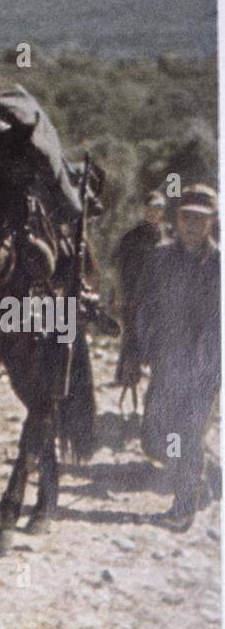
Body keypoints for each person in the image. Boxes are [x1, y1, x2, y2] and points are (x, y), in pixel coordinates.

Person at [134, 183, 221, 529]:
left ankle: (183, 505)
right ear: (177, 218)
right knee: (158, 438)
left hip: (204, 367)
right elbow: (145, 305)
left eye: (201, 219)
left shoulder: (220, 264)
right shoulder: (161, 257)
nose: (192, 225)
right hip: (167, 361)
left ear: (212, 222)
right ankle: (209, 476)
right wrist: (140, 346)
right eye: (186, 217)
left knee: (188, 432)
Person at [113, 189, 170, 400]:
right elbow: (119, 267)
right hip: (135, 297)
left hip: (162, 298)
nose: (155, 213)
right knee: (132, 342)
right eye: (151, 208)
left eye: (159, 208)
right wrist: (120, 296)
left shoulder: (169, 233)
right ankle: (130, 386)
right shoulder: (132, 236)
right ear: (145, 210)